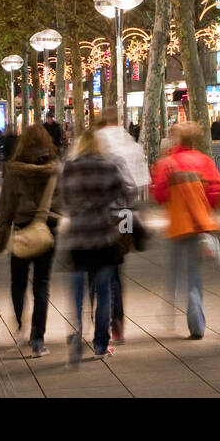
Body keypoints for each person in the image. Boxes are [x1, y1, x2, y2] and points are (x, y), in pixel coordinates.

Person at [151, 122, 220, 340]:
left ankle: (169, 309)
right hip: (198, 225)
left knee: (174, 271)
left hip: (178, 226)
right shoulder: (204, 161)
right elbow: (218, 190)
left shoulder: (168, 163)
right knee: (193, 275)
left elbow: (159, 194)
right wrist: (205, 207)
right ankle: (196, 324)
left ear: (177, 139)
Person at [62, 130, 133, 363]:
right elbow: (125, 197)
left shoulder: (70, 168)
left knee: (77, 291)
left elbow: (63, 198)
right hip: (103, 238)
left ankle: (77, 334)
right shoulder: (109, 168)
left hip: (78, 237)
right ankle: (101, 344)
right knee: (104, 293)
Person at [0, 125, 62, 357]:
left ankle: (20, 326)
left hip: (22, 230)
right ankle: (37, 340)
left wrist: (0, 238)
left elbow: (6, 207)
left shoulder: (14, 171)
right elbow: (62, 201)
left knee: (18, 281)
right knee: (41, 284)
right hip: (46, 230)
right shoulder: (54, 169)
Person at [96, 110, 150, 343]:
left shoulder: (98, 142)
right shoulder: (131, 144)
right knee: (117, 267)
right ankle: (117, 319)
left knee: (99, 270)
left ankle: (102, 318)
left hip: (100, 219)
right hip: (125, 215)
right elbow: (139, 185)